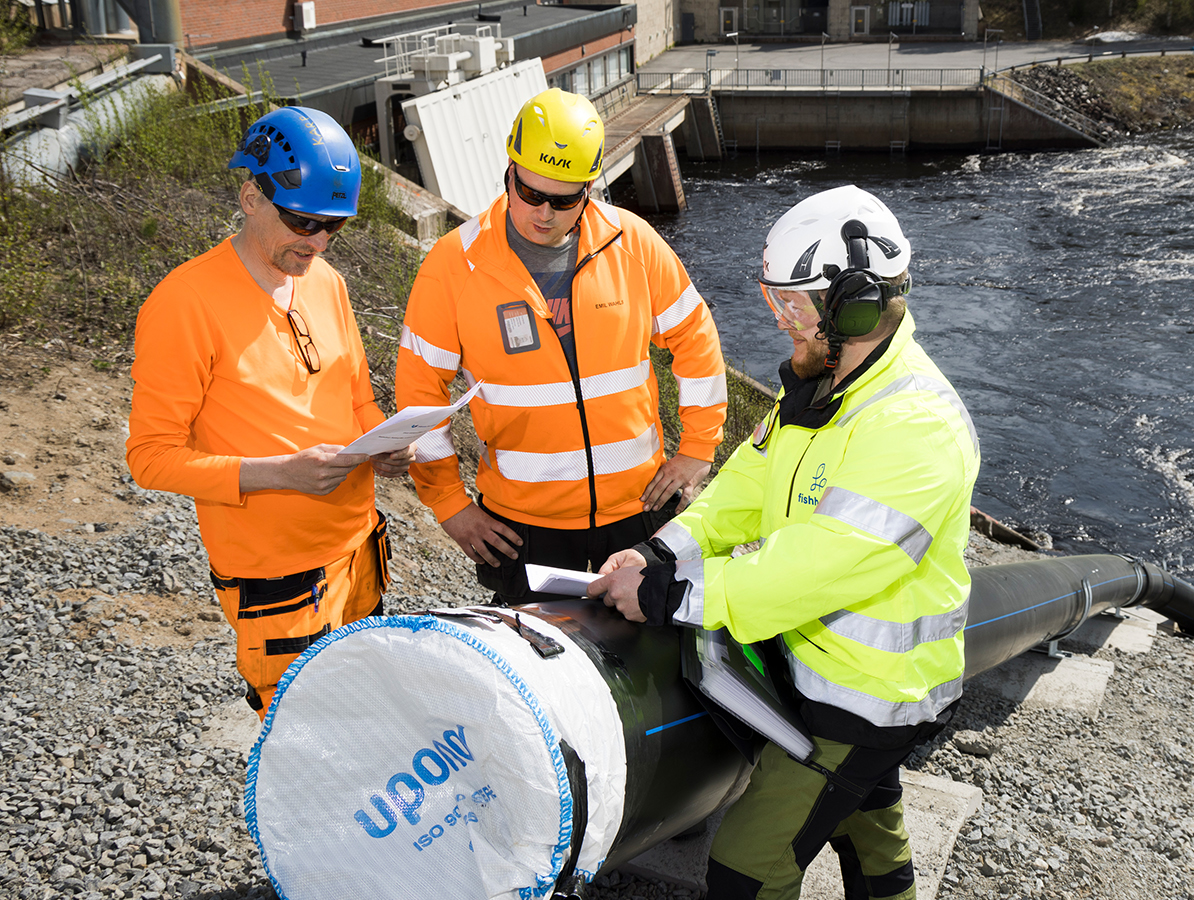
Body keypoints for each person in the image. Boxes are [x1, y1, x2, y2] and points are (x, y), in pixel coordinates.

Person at [589, 185, 981, 900]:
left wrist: (669, 596)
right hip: (813, 669)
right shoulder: (825, 388)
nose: (781, 323)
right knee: (867, 819)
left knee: (747, 866)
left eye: (795, 306)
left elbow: (821, 563)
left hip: (870, 697)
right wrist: (661, 552)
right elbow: (747, 489)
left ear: (855, 302)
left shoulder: (914, 426)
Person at [126, 107, 412, 719]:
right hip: (275, 578)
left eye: (334, 226)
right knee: (310, 749)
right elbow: (150, 460)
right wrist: (280, 473)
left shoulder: (326, 281)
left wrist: (384, 442)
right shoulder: (183, 304)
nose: (317, 242)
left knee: (374, 728)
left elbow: (357, 396)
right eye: (304, 221)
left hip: (358, 550)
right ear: (251, 195)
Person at [396, 87, 726, 601]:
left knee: (646, 656)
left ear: (590, 188)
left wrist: (698, 449)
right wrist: (450, 505)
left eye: (564, 199)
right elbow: (420, 393)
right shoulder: (453, 265)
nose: (543, 213)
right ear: (509, 169)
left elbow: (695, 337)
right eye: (529, 193)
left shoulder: (633, 243)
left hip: (639, 511)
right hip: (525, 528)